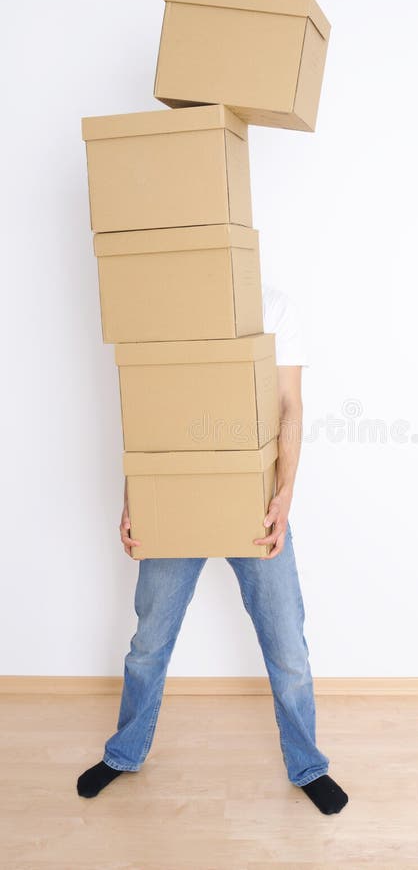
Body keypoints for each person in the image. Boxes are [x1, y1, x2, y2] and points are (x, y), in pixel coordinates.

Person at [77, 282, 349, 815]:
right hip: (176, 499)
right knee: (148, 641)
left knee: (287, 645)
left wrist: (285, 495)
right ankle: (125, 753)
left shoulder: (271, 306)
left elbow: (289, 402)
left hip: (253, 503)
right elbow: (147, 412)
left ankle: (308, 765)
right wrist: (136, 498)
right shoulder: (162, 303)